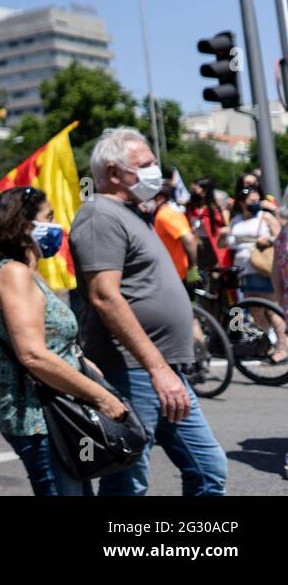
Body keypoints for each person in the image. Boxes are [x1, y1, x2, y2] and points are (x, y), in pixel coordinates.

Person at [70, 127, 227, 496]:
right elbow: (105, 296)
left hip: (161, 367)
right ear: (113, 172)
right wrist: (157, 368)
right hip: (135, 369)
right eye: (146, 164)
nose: (156, 171)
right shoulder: (99, 215)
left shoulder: (132, 213)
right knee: (128, 481)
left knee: (208, 470)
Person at [0, 186, 126, 495]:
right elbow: (33, 354)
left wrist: (82, 363)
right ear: (23, 226)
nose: (57, 227)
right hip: (38, 415)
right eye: (49, 218)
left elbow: (50, 342)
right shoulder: (14, 274)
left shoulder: (27, 273)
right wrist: (101, 397)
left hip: (54, 410)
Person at [220, 174, 288, 365]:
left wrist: (267, 240)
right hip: (245, 271)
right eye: (251, 199)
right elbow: (224, 244)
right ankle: (265, 343)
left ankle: (283, 347)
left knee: (273, 310)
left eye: (257, 199)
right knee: (256, 311)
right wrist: (224, 236)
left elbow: (282, 238)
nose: (255, 202)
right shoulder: (236, 220)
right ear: (241, 202)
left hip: (264, 268)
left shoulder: (265, 217)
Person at [152, 184, 199, 286]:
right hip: (175, 274)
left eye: (149, 198)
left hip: (175, 275)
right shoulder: (172, 212)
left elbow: (189, 239)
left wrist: (193, 268)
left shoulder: (165, 215)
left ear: (160, 198)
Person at [186, 178, 229, 272]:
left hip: (212, 248)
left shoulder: (214, 209)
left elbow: (222, 227)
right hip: (195, 249)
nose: (196, 191)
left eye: (200, 189)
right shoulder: (190, 208)